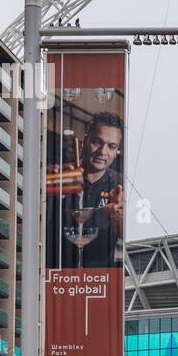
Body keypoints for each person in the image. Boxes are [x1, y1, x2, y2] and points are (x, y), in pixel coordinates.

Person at [46, 110, 124, 269]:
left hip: (96, 284)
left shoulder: (120, 185)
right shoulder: (61, 176)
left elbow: (128, 236)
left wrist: (117, 216)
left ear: (117, 151)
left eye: (111, 146)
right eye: (97, 142)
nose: (103, 152)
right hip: (52, 282)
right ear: (85, 141)